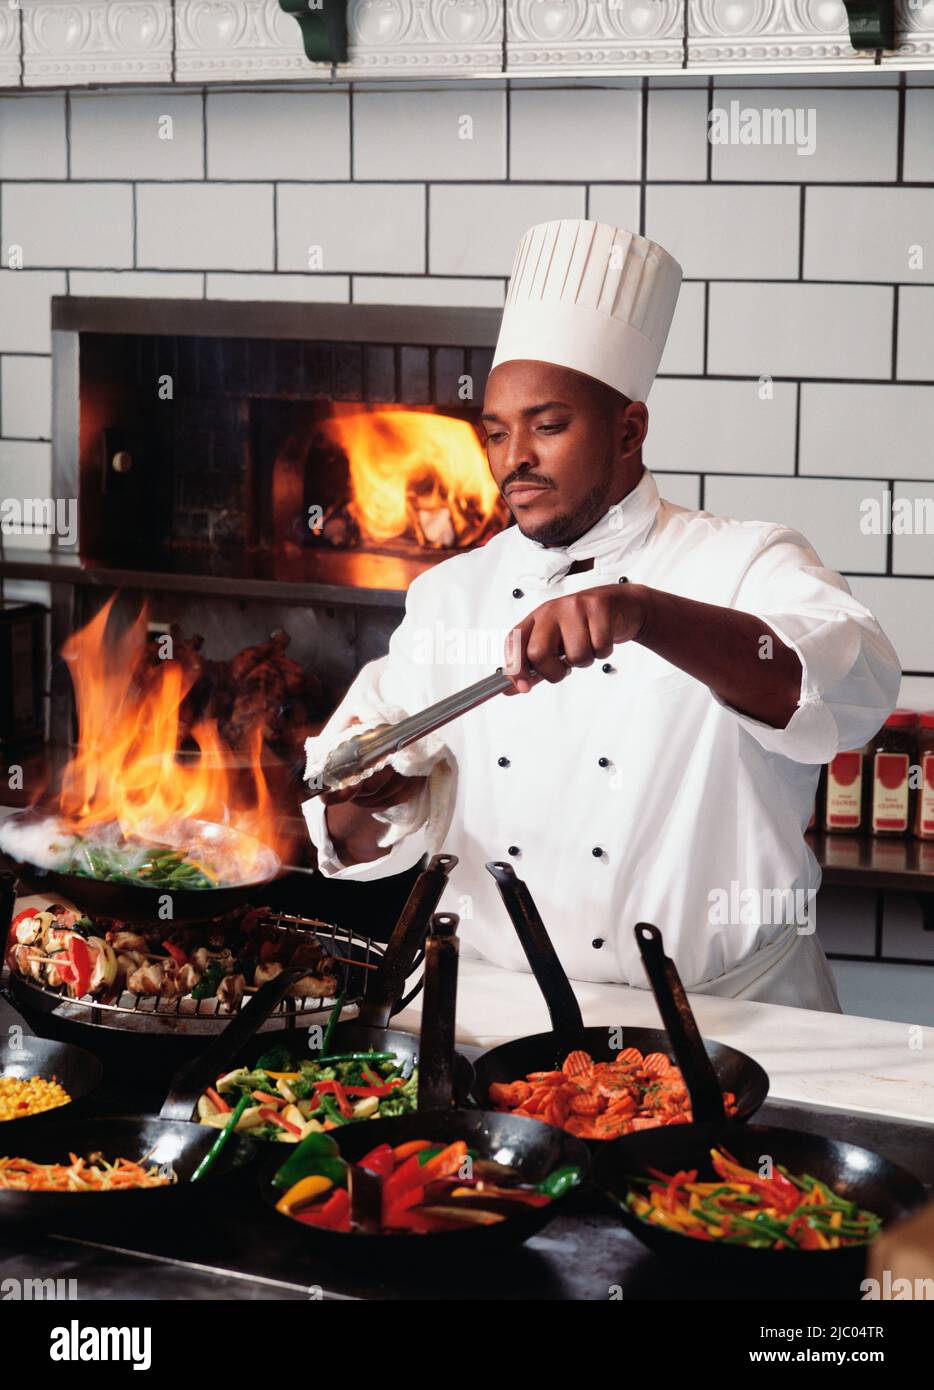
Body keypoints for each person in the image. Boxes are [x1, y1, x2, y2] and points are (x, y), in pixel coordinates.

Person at [303, 220, 900, 1011]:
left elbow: (850, 690)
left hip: (730, 1023)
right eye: (495, 433)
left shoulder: (745, 561)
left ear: (629, 430)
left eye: (548, 426)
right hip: (492, 1015)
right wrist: (372, 789)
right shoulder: (452, 597)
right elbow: (346, 833)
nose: (514, 458)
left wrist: (643, 615)